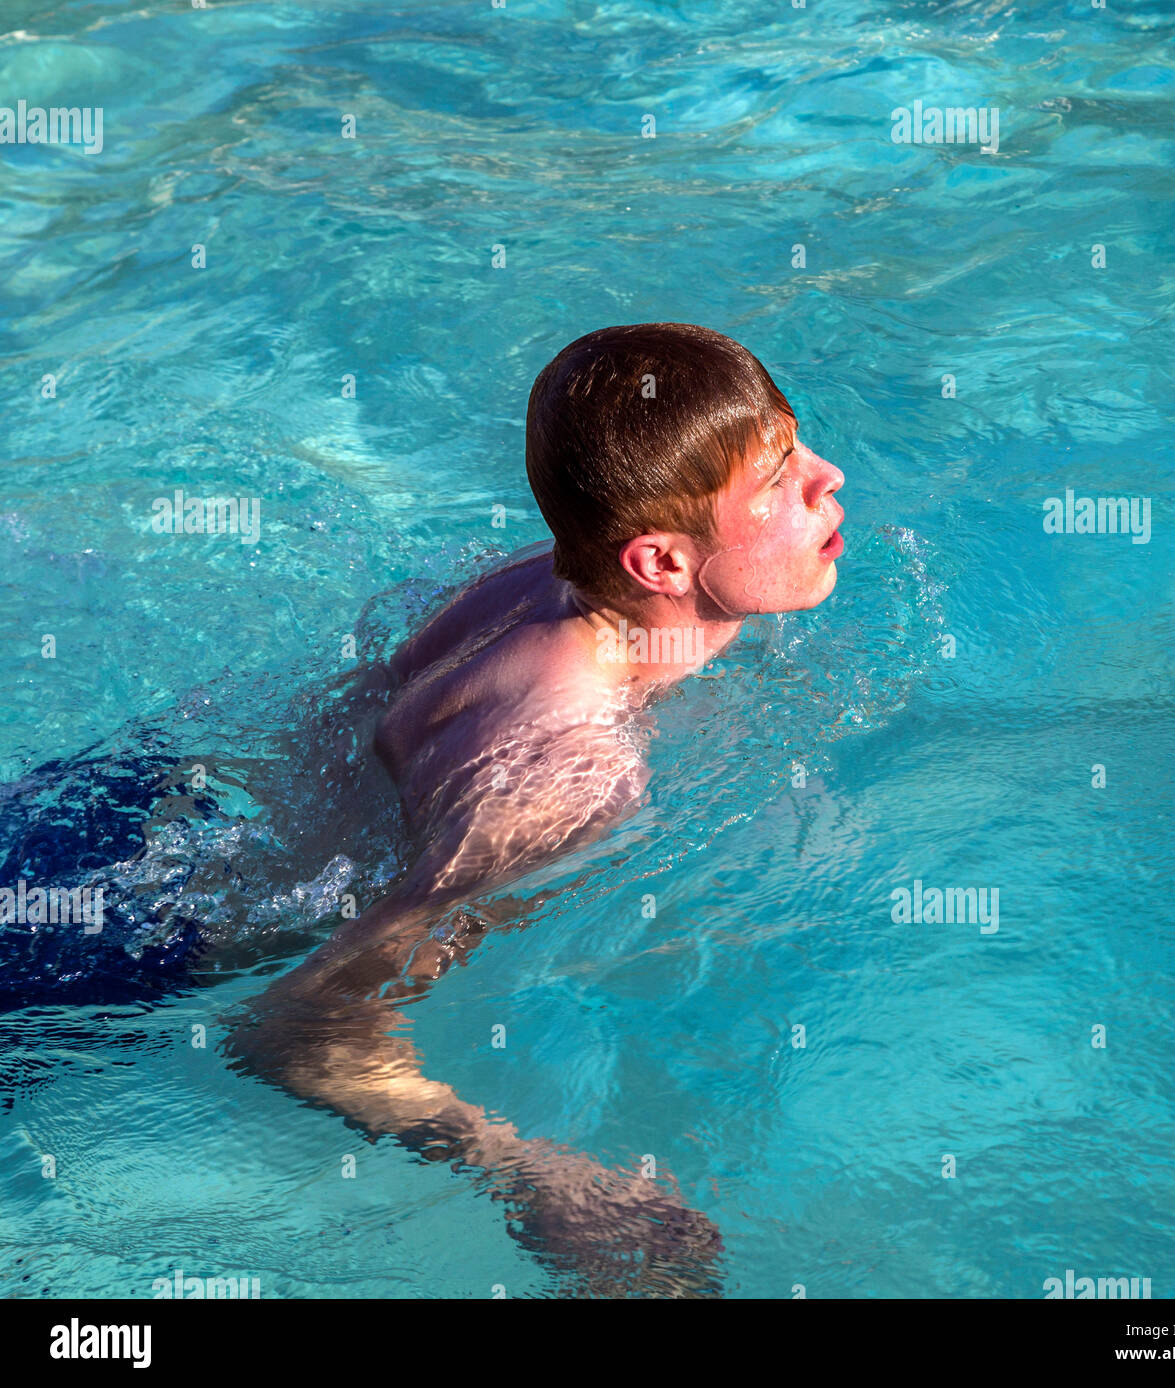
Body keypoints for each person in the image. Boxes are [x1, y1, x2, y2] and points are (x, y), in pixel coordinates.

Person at [222, 322, 846, 1296]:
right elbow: (300, 1023)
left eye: (796, 443)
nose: (827, 476)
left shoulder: (552, 574)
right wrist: (526, 1169)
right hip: (134, 953)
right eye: (774, 480)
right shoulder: (572, 777)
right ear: (660, 565)